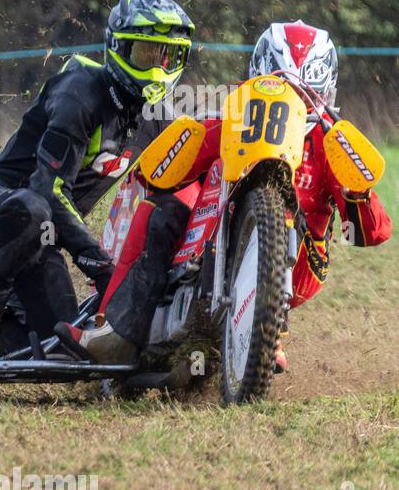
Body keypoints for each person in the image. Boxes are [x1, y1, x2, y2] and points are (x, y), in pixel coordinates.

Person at [57, 20, 391, 368]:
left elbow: (373, 233)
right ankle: (109, 325)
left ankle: (268, 330)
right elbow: (162, 176)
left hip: (301, 264)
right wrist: (188, 141)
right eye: (281, 81)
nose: (292, 93)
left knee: (165, 205)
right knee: (162, 208)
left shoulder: (330, 142)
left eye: (302, 86)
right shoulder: (234, 118)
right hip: (216, 239)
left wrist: (357, 194)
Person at [0, 0, 195, 363]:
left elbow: (194, 167)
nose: (157, 69)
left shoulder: (160, 120)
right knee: (31, 208)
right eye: (145, 53)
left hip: (42, 243)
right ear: (117, 48)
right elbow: (45, 190)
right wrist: (97, 264)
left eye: (167, 56)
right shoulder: (79, 90)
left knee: (55, 343)